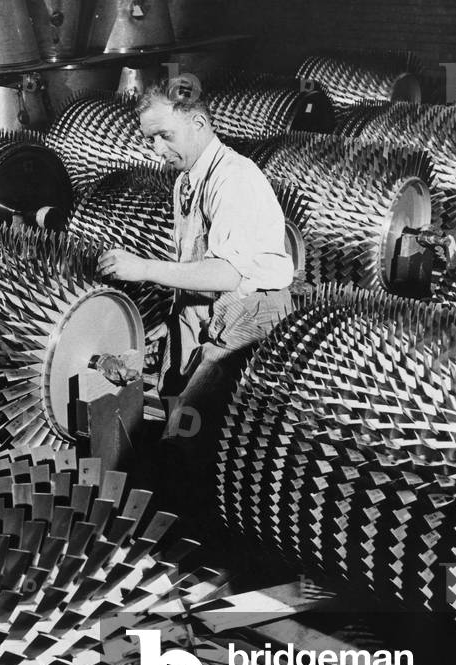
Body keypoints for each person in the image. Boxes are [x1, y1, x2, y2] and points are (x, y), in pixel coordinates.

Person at [98, 76, 294, 527]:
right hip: (203, 308)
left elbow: (228, 273)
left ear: (199, 124)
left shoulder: (234, 178)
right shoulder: (187, 181)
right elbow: (196, 269)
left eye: (164, 135)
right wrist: (169, 326)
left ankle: (194, 538)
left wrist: (144, 268)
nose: (157, 150)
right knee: (168, 400)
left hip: (248, 313)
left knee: (189, 431)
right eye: (149, 140)